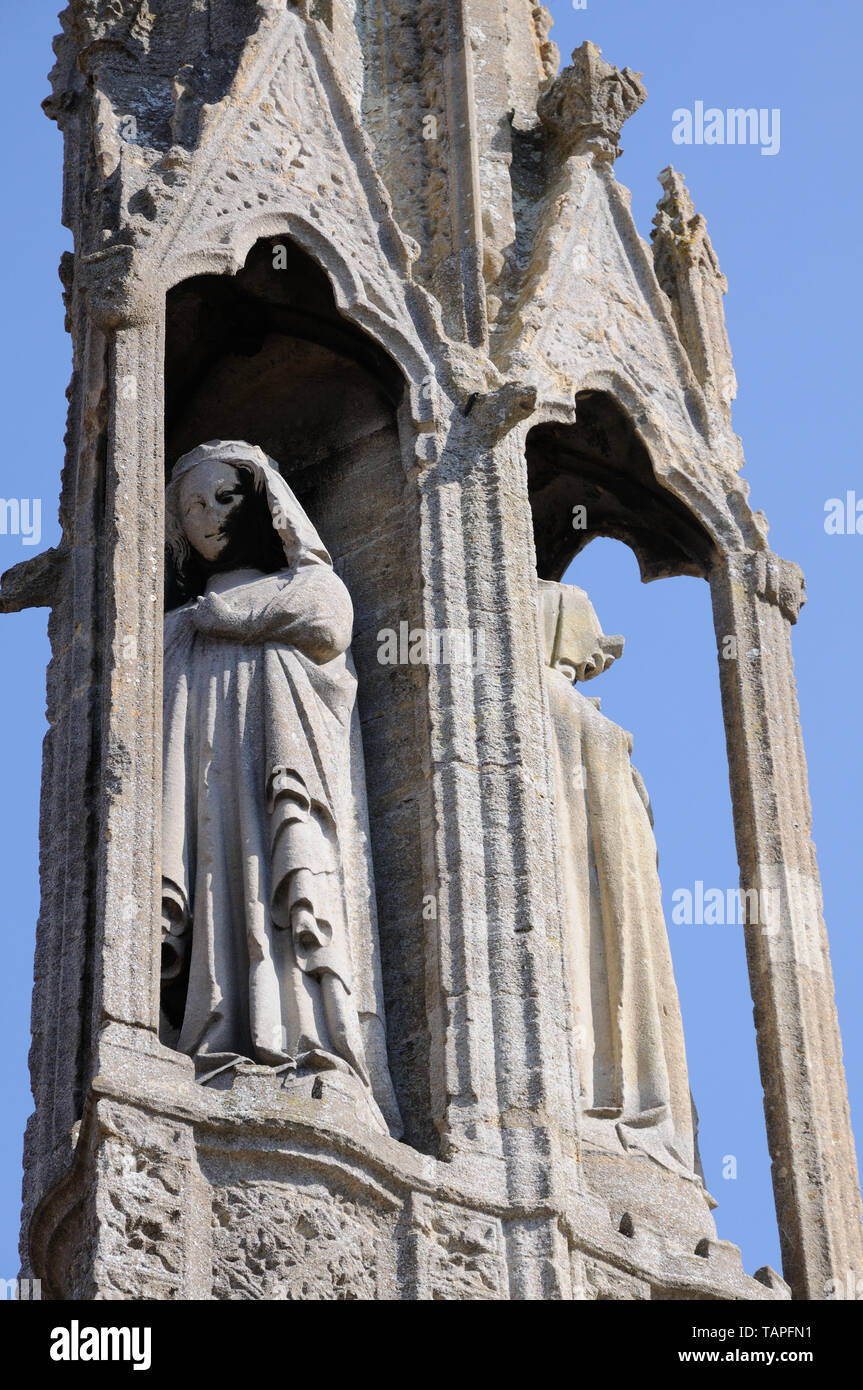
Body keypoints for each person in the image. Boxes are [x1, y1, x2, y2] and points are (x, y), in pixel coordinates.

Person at [160, 439, 399, 1137]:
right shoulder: (180, 624)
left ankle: (310, 1045)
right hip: (211, 785)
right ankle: (220, 1037)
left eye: (225, 498)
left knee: (294, 896)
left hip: (287, 781)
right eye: (192, 507)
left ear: (264, 505)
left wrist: (229, 619)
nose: (208, 517)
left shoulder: (311, 584)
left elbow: (327, 622)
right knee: (218, 896)